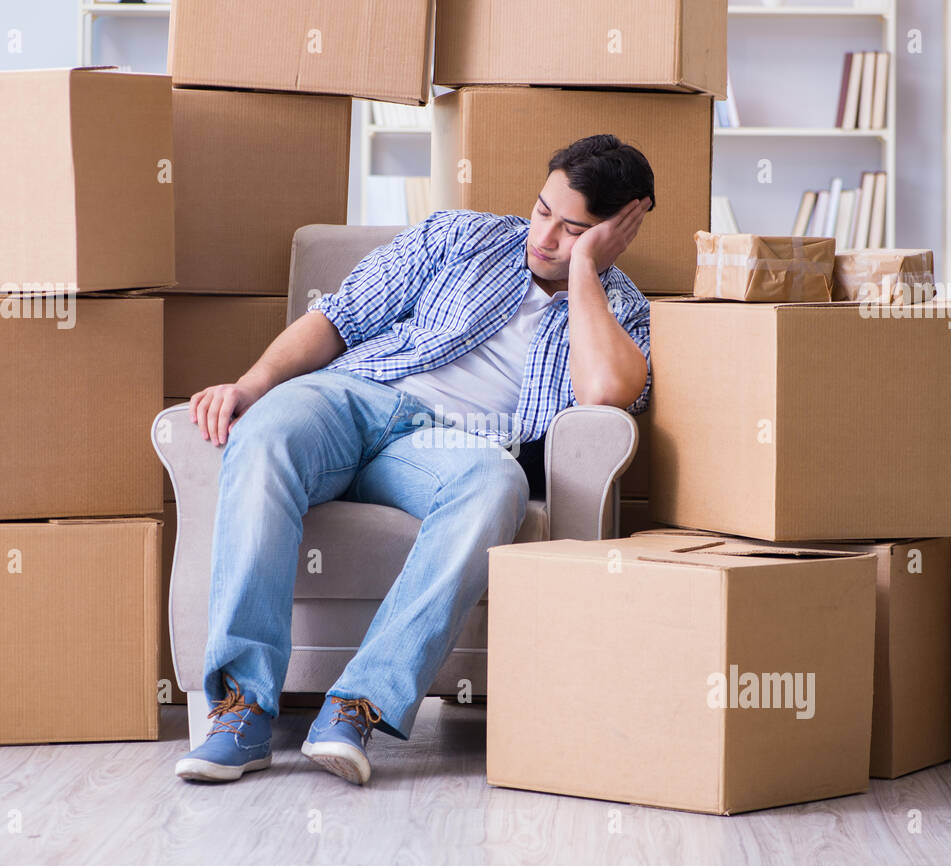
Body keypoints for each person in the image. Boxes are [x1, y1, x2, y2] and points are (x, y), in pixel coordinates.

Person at [175, 133, 655, 786]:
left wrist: (583, 272)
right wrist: (252, 385)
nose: (544, 237)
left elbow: (605, 394)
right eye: (543, 211)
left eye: (574, 229)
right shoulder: (460, 236)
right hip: (353, 396)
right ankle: (241, 708)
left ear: (618, 232)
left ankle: (356, 705)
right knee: (263, 433)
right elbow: (339, 318)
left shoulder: (622, 308)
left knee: (496, 483)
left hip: (445, 451)